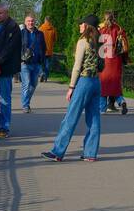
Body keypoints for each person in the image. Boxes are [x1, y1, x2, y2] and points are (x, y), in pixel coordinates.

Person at [42, 15, 103, 162]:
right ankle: (90, 153)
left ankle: (57, 151)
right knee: (94, 118)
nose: (79, 26)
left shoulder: (83, 41)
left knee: (71, 117)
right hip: (96, 82)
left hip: (84, 81)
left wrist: (71, 86)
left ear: (87, 26)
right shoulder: (100, 42)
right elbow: (102, 65)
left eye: (81, 24)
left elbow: (77, 66)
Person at [0, 3, 22, 138]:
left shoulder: (13, 27)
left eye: (0, 13)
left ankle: (3, 128)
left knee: (4, 98)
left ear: (7, 12)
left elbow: (9, 49)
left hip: (4, 69)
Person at [99, 10, 129, 114]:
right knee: (115, 86)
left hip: (104, 60)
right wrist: (125, 59)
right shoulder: (119, 29)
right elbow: (125, 46)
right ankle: (121, 101)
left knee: (103, 86)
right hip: (116, 60)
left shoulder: (101, 30)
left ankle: (102, 108)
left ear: (104, 18)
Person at [19, 14, 47, 112]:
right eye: (28, 21)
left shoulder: (40, 34)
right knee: (26, 84)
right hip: (24, 64)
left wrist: (42, 60)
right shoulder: (21, 33)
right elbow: (17, 47)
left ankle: (26, 102)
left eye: (32, 21)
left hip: (36, 63)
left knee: (33, 85)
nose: (30, 23)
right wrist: (20, 60)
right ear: (25, 22)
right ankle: (25, 105)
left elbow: (43, 47)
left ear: (35, 22)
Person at [40, 16, 58, 81]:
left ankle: (42, 72)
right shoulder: (53, 29)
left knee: (41, 63)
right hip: (49, 50)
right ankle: (46, 76)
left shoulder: (41, 28)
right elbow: (55, 39)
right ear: (50, 21)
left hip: (41, 50)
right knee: (48, 64)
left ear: (45, 20)